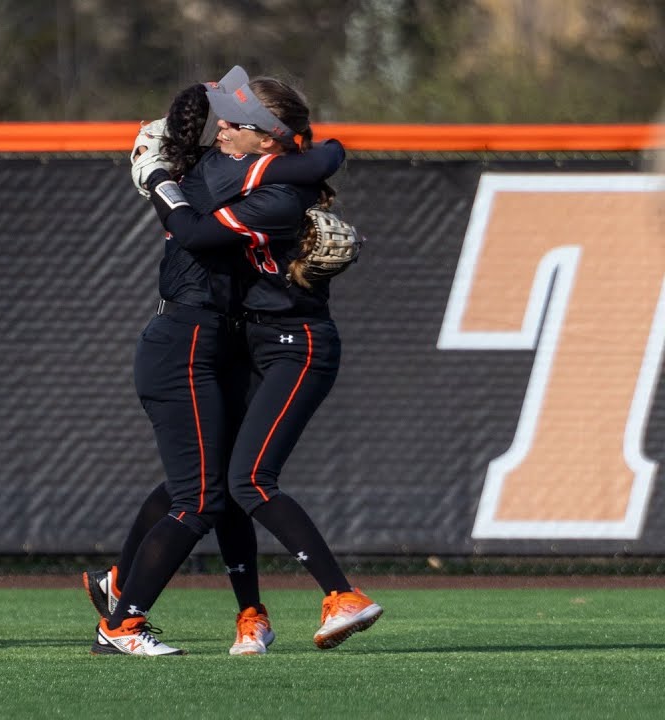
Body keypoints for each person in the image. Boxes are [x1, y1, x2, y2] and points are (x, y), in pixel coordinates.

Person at [105, 67, 381, 655]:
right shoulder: (230, 169)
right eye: (220, 119)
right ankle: (157, 606)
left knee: (229, 483)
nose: (221, 127)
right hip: (214, 338)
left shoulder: (269, 185)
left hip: (276, 340)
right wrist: (166, 160)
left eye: (235, 122)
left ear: (268, 137)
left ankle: (136, 603)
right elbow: (317, 157)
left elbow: (199, 229)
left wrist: (155, 174)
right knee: (212, 487)